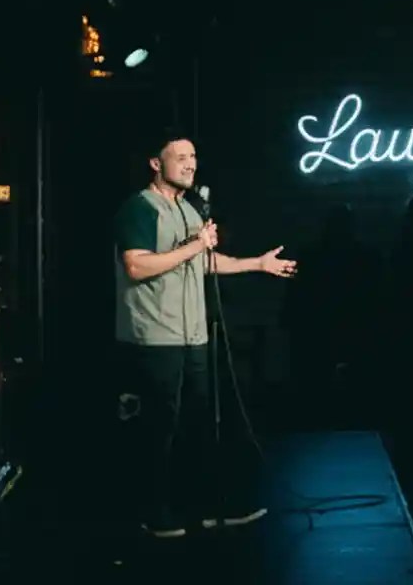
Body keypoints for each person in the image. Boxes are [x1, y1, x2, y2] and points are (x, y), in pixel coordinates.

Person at [113, 128, 297, 538]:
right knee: (161, 429)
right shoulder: (139, 208)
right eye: (180, 157)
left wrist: (257, 264)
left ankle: (204, 506)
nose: (190, 164)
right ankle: (155, 513)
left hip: (193, 336)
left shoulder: (191, 210)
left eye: (193, 157)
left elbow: (204, 263)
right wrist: (196, 246)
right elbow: (137, 266)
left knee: (198, 425)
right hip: (155, 338)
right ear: (156, 164)